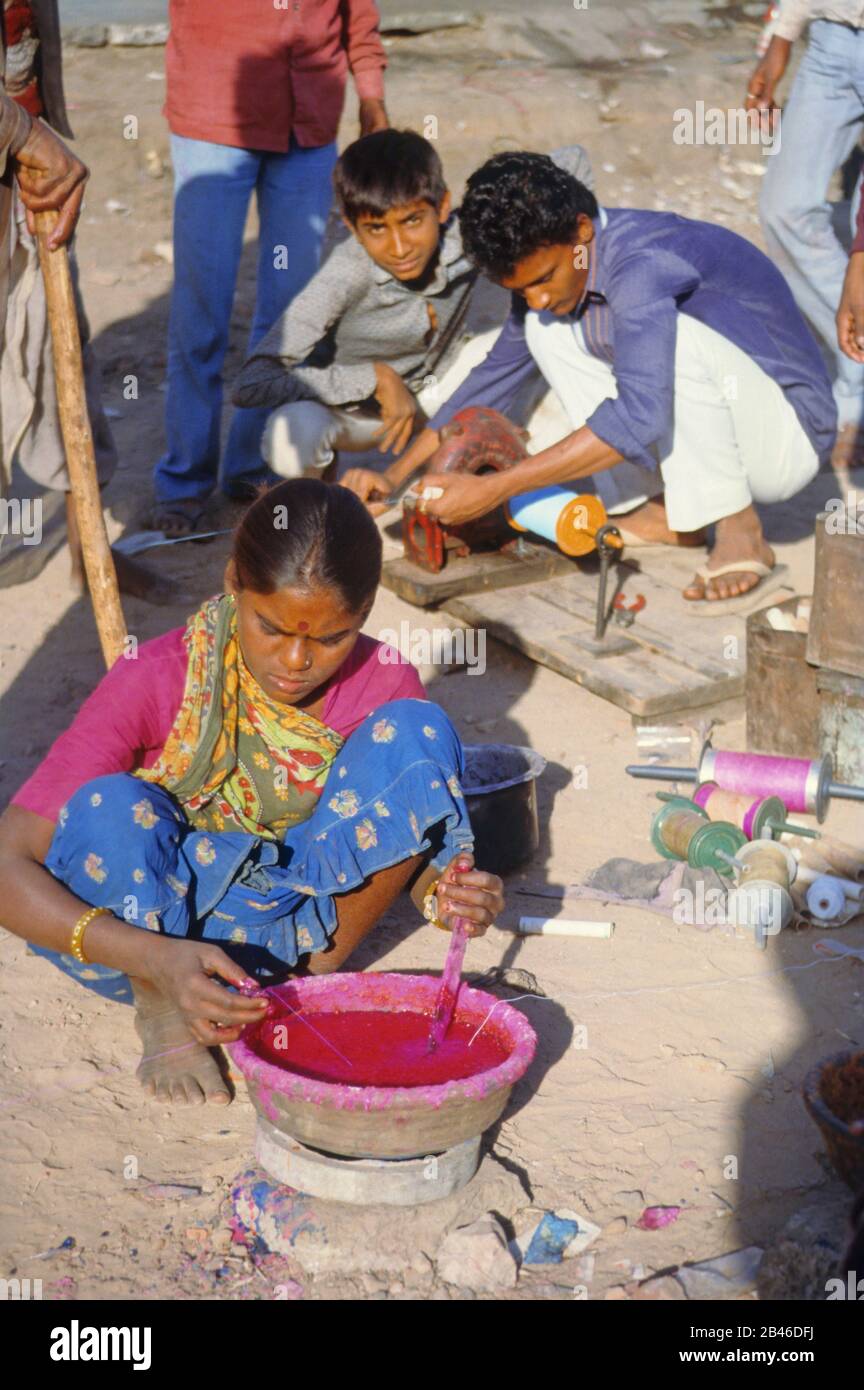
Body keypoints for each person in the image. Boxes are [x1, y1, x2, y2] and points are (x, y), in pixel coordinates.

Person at [0, 480, 504, 1107]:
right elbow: (7, 863)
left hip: (292, 924)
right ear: (234, 582)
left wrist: (445, 892)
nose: (296, 660)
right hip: (149, 926)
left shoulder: (383, 682)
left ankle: (301, 985)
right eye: (270, 627)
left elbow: (402, 839)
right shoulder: (156, 677)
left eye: (330, 637)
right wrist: (153, 958)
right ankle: (159, 1003)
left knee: (418, 734)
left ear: (366, 609)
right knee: (110, 808)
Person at [373, 152, 836, 605]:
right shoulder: (557, 269)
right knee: (546, 330)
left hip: (787, 438)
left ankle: (740, 528)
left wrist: (497, 487)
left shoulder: (640, 264)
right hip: (732, 431)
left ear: (581, 230)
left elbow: (639, 417)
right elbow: (493, 378)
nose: (534, 297)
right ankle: (666, 513)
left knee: (670, 346)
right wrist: (393, 480)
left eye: (544, 278)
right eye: (520, 289)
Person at [233, 131, 593, 489]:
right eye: (376, 228)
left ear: (443, 207)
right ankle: (325, 502)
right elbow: (252, 383)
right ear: (351, 226)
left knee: (535, 336)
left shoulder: (466, 234)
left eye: (412, 221)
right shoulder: (341, 278)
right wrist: (374, 378)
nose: (400, 247)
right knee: (289, 433)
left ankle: (505, 484)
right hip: (361, 417)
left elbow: (572, 158)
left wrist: (568, 242)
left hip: (442, 392)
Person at [151, 0, 390, 537]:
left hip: (309, 129)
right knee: (200, 314)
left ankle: (251, 468)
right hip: (213, 120)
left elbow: (359, 12)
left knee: (290, 319)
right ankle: (185, 481)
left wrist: (371, 93)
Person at [0, 0, 171, 601]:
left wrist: (32, 135)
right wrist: (21, 134)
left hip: (29, 174)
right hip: (23, 150)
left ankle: (90, 550)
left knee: (64, 359)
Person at [747, 4, 864, 470]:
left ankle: (854, 392)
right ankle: (858, 367)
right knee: (784, 208)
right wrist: (779, 40)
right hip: (832, 40)